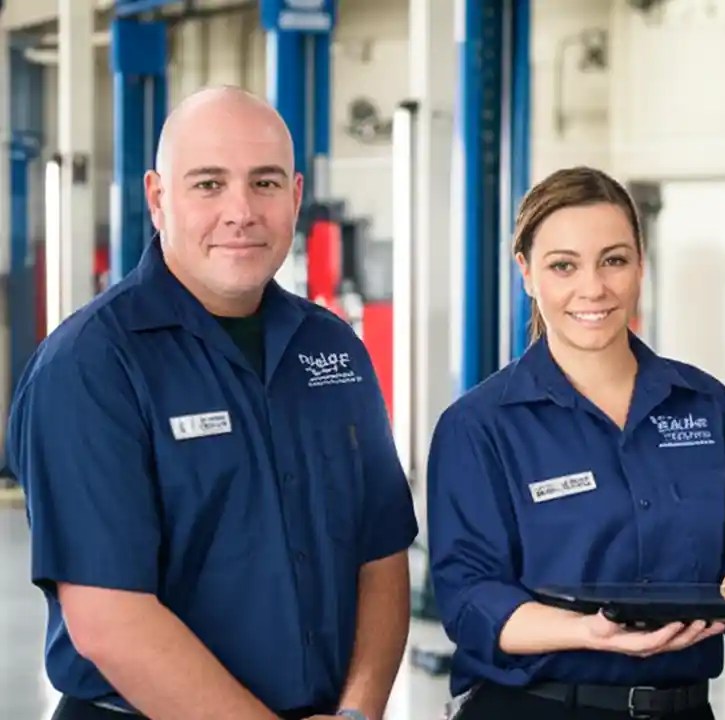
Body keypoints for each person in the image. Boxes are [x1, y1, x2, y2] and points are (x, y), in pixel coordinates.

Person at [5, 86, 419, 720]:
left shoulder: (333, 349)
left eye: (265, 183)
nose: (241, 211)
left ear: (296, 195)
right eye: (208, 184)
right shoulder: (91, 367)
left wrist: (360, 712)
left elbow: (381, 558)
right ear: (156, 197)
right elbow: (109, 619)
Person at [426, 166, 725, 719]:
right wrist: (587, 633)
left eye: (613, 260)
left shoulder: (706, 406)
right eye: (563, 266)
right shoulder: (479, 427)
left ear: (641, 263)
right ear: (525, 273)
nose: (592, 288)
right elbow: (472, 601)